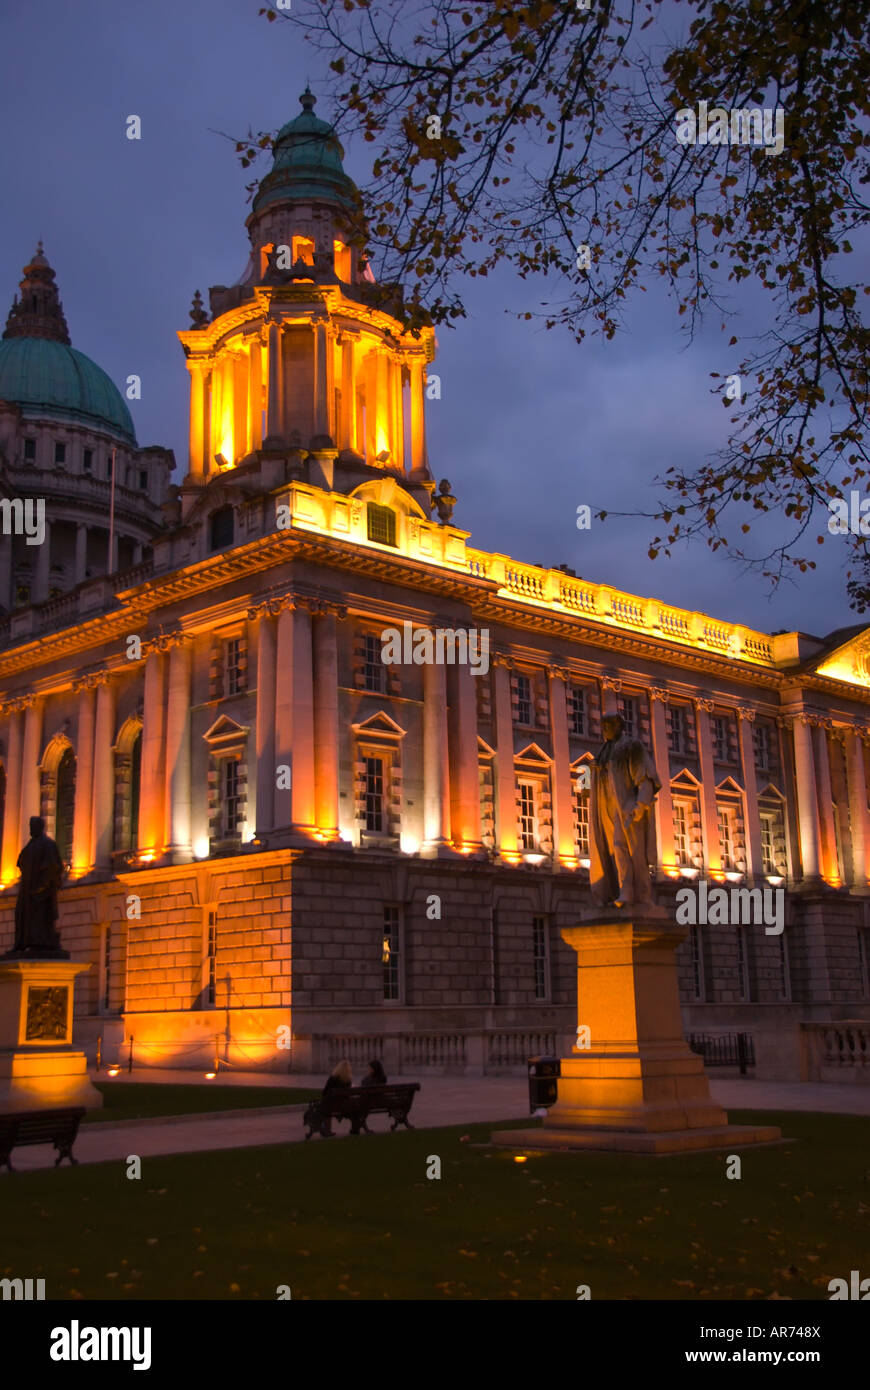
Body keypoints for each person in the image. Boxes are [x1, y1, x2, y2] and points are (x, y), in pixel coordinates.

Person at [589, 712, 661, 909]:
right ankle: (612, 892)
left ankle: (633, 893)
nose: (605, 730)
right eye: (603, 726)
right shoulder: (602, 752)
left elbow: (646, 778)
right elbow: (588, 781)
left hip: (626, 806)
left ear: (619, 726)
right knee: (609, 850)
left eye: (609, 726)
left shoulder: (631, 746)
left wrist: (640, 806)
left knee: (627, 849)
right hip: (605, 807)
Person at [12, 816, 67, 956]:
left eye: (33, 826)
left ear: (39, 827)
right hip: (27, 890)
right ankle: (22, 942)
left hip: (40, 894)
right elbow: (21, 862)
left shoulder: (48, 844)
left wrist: (40, 889)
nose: (30, 829)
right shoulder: (32, 845)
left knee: (39, 919)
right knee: (21, 914)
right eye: (30, 826)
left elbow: (52, 868)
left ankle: (40, 943)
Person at [320, 1059, 352, 1137]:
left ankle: (327, 1130)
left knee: (326, 1108)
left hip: (332, 1104)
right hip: (344, 1105)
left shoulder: (333, 1078)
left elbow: (325, 1091)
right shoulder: (348, 1080)